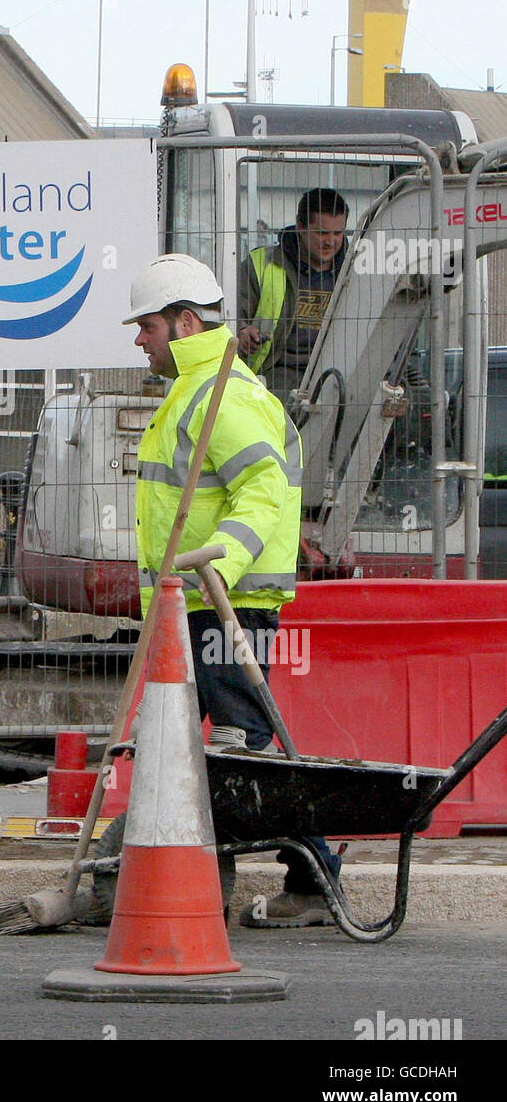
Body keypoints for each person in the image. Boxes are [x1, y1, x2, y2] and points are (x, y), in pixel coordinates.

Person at [124, 252, 341, 926]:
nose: (139, 339)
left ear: (185, 324)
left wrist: (228, 556)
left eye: (148, 326)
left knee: (240, 751)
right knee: (200, 751)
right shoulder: (197, 391)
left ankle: (312, 881)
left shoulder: (223, 395)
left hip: (224, 603)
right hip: (197, 601)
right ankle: (211, 885)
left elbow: (263, 486)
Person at [238, 187, 349, 404]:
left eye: (338, 233)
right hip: (277, 370)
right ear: (300, 226)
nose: (330, 241)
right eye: (321, 232)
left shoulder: (356, 269)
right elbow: (230, 315)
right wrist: (243, 332)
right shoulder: (261, 264)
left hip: (338, 372)